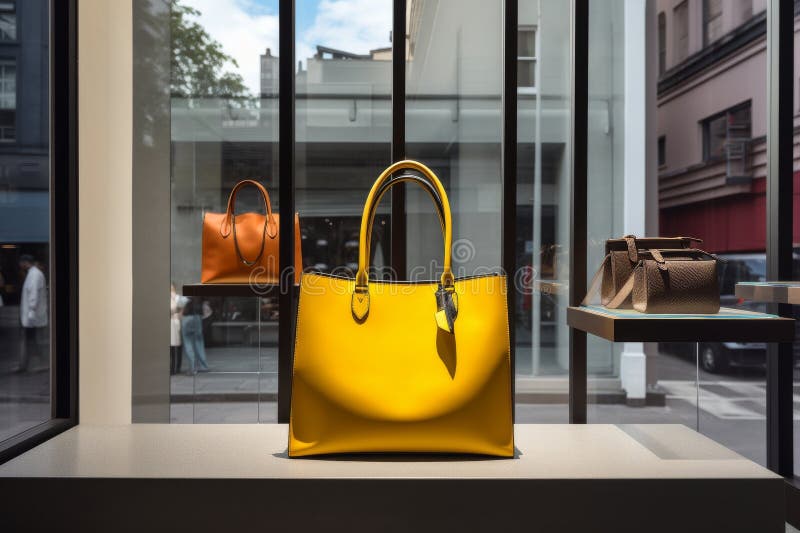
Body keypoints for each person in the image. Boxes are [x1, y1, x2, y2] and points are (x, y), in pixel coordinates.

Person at [18, 254, 47, 372]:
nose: (19, 265)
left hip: (32, 315)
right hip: (32, 314)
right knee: (31, 339)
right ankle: (28, 363)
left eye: (20, 262)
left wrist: (31, 311)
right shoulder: (33, 273)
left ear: (25, 262)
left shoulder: (34, 275)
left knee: (32, 339)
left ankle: (37, 362)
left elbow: (33, 293)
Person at [181, 296, 209, 375]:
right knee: (199, 343)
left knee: (188, 343)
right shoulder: (199, 300)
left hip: (187, 319)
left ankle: (192, 368)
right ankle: (203, 366)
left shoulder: (185, 300)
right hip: (197, 318)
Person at [170, 284, 183, 375]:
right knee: (172, 347)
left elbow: (181, 311)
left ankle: (176, 367)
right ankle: (173, 368)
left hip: (177, 323)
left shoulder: (178, 298)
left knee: (177, 346)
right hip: (171, 323)